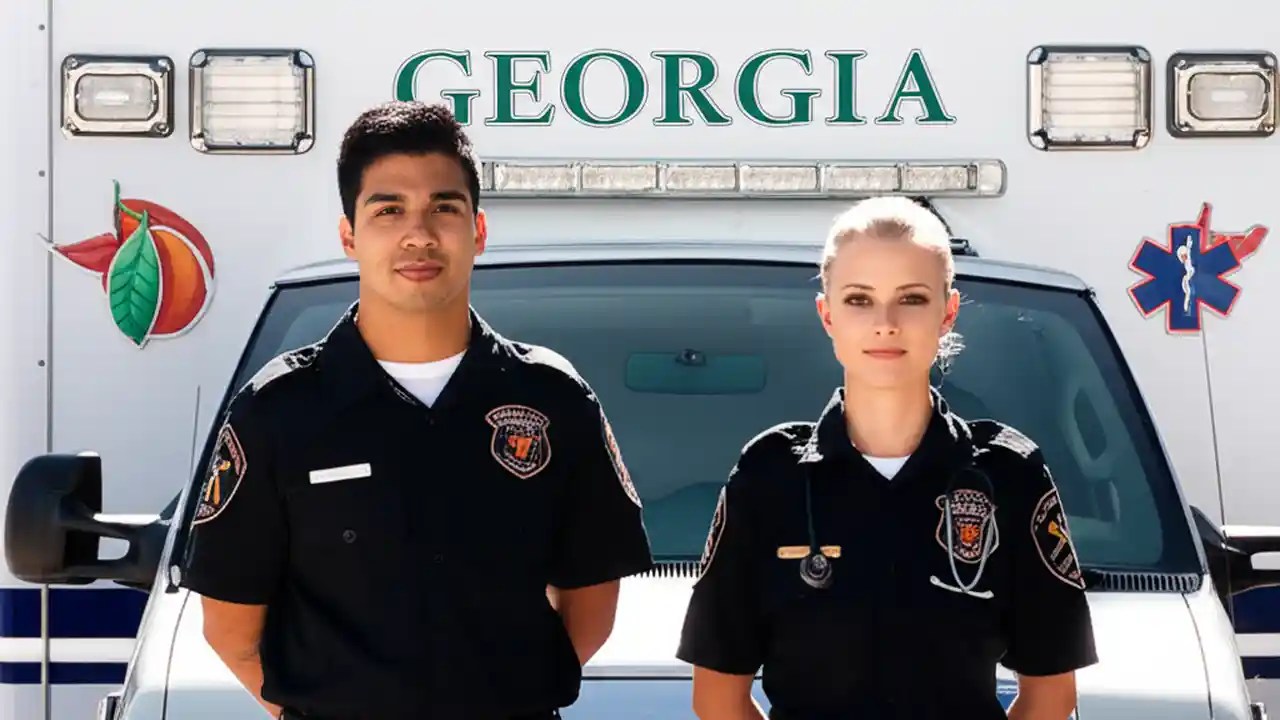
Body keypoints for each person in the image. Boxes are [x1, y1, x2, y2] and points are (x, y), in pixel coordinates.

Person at [178, 101, 655, 719]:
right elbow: (231, 629)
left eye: (444, 208)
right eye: (388, 210)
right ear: (349, 234)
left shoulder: (552, 399)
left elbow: (590, 607)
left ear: (478, 230)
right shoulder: (279, 411)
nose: (419, 235)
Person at [675, 196, 1099, 719]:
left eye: (912, 299)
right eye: (859, 300)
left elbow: (1051, 695)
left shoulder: (1007, 477)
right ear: (826, 315)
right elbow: (717, 696)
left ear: (948, 312)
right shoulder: (770, 478)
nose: (886, 323)